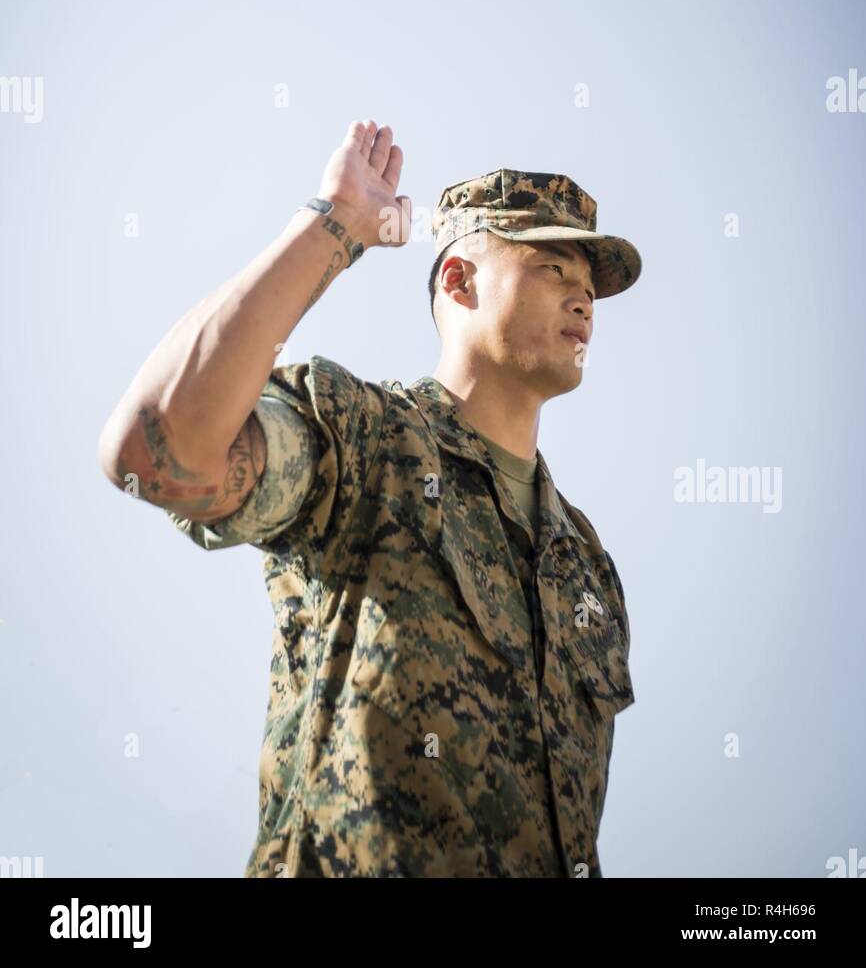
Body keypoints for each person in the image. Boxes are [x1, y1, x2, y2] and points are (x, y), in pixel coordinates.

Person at [98, 119, 642, 878]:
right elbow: (157, 453)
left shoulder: (585, 566)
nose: (585, 296)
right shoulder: (368, 441)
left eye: (590, 285)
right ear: (459, 281)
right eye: (553, 267)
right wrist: (335, 227)